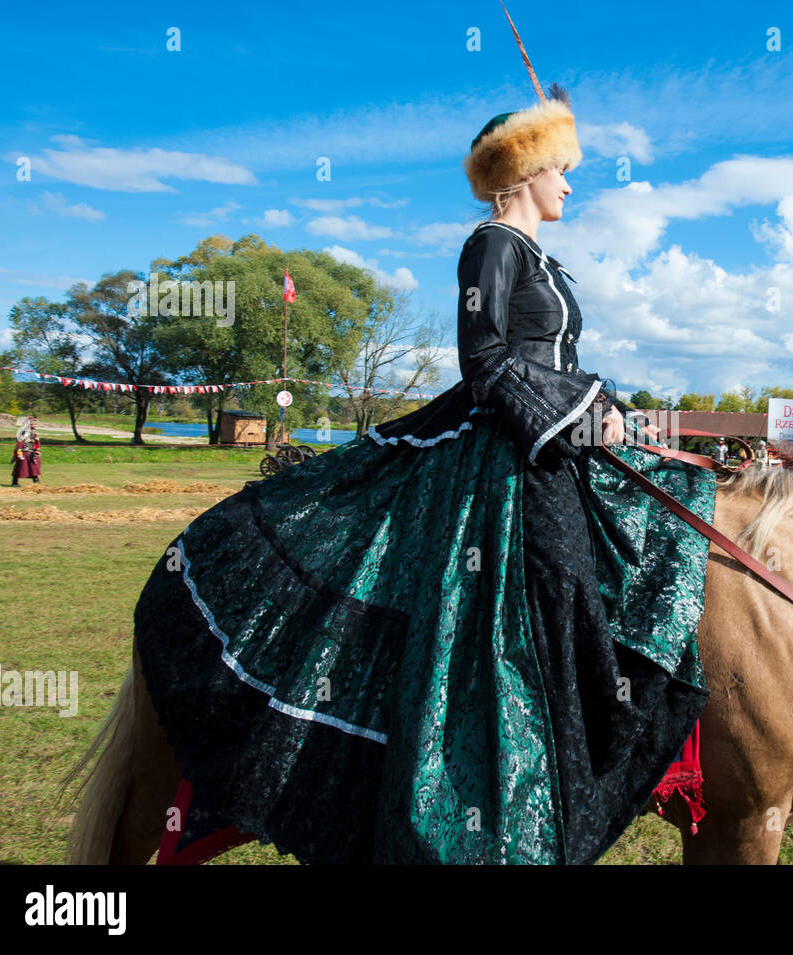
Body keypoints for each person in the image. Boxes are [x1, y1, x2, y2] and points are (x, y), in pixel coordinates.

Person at [132, 81, 716, 865]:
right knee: (551, 591)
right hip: (505, 457)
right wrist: (576, 417)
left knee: (650, 542)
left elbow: (558, 361)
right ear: (527, 171)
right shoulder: (491, 245)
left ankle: (598, 751)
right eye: (564, 168)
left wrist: (607, 409)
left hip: (552, 445)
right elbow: (485, 362)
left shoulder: (546, 259)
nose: (571, 184)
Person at [11, 418, 41, 486]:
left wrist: (37, 450)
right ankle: (15, 482)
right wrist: (19, 453)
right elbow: (20, 442)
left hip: (30, 452)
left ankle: (36, 481)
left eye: (36, 424)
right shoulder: (25, 433)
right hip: (24, 452)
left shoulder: (32, 433)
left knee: (34, 465)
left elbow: (32, 444)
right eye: (34, 424)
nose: (36, 426)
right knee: (20, 467)